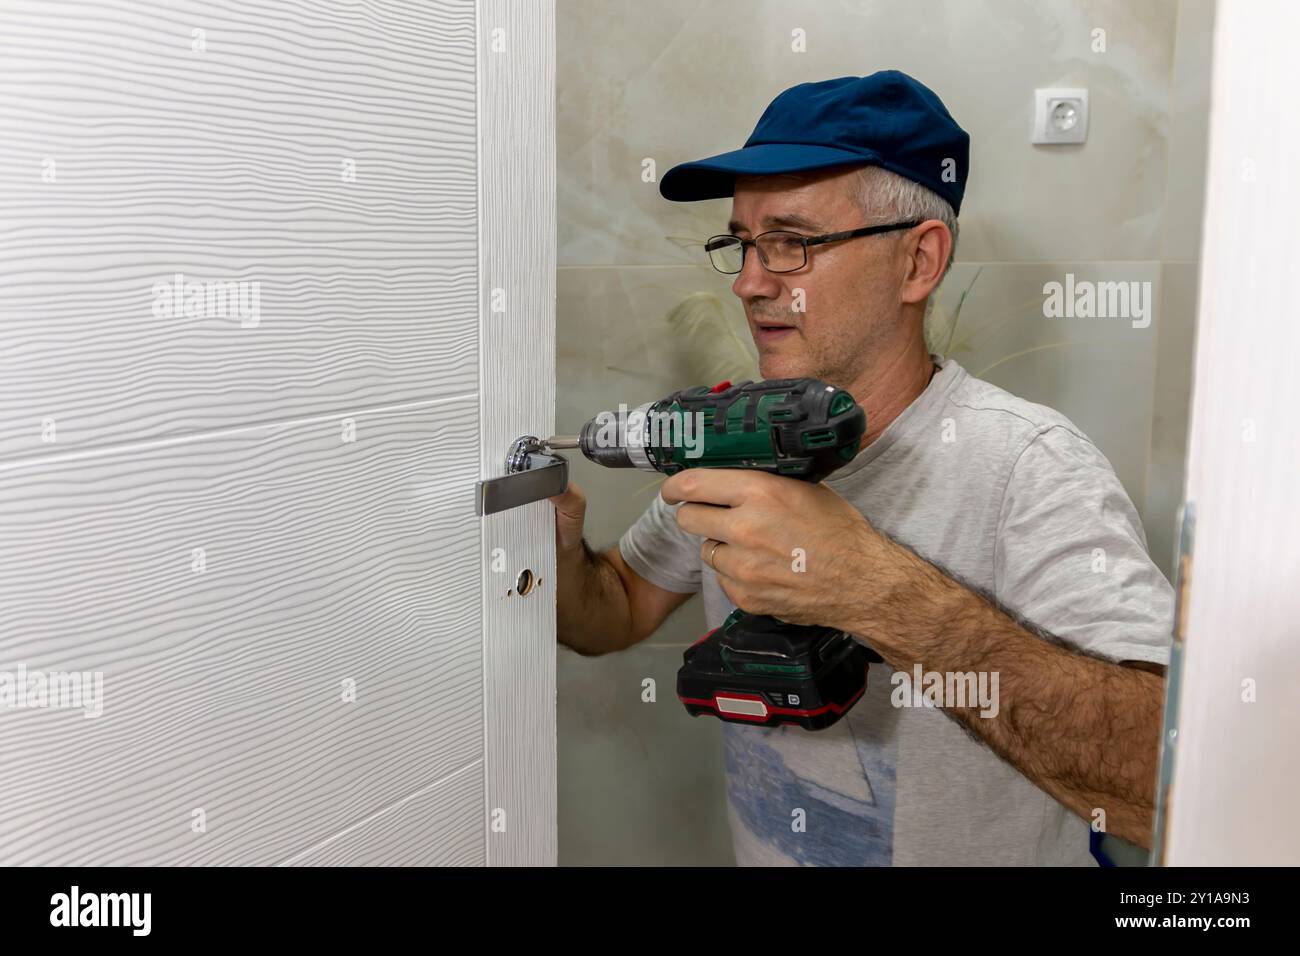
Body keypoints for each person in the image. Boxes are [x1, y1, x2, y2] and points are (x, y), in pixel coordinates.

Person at [552, 71, 1173, 866]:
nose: (749, 281)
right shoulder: (738, 436)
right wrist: (561, 555)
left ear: (919, 261)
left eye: (792, 242)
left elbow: (1170, 784)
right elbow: (613, 616)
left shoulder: (1028, 467)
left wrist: (873, 589)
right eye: (741, 243)